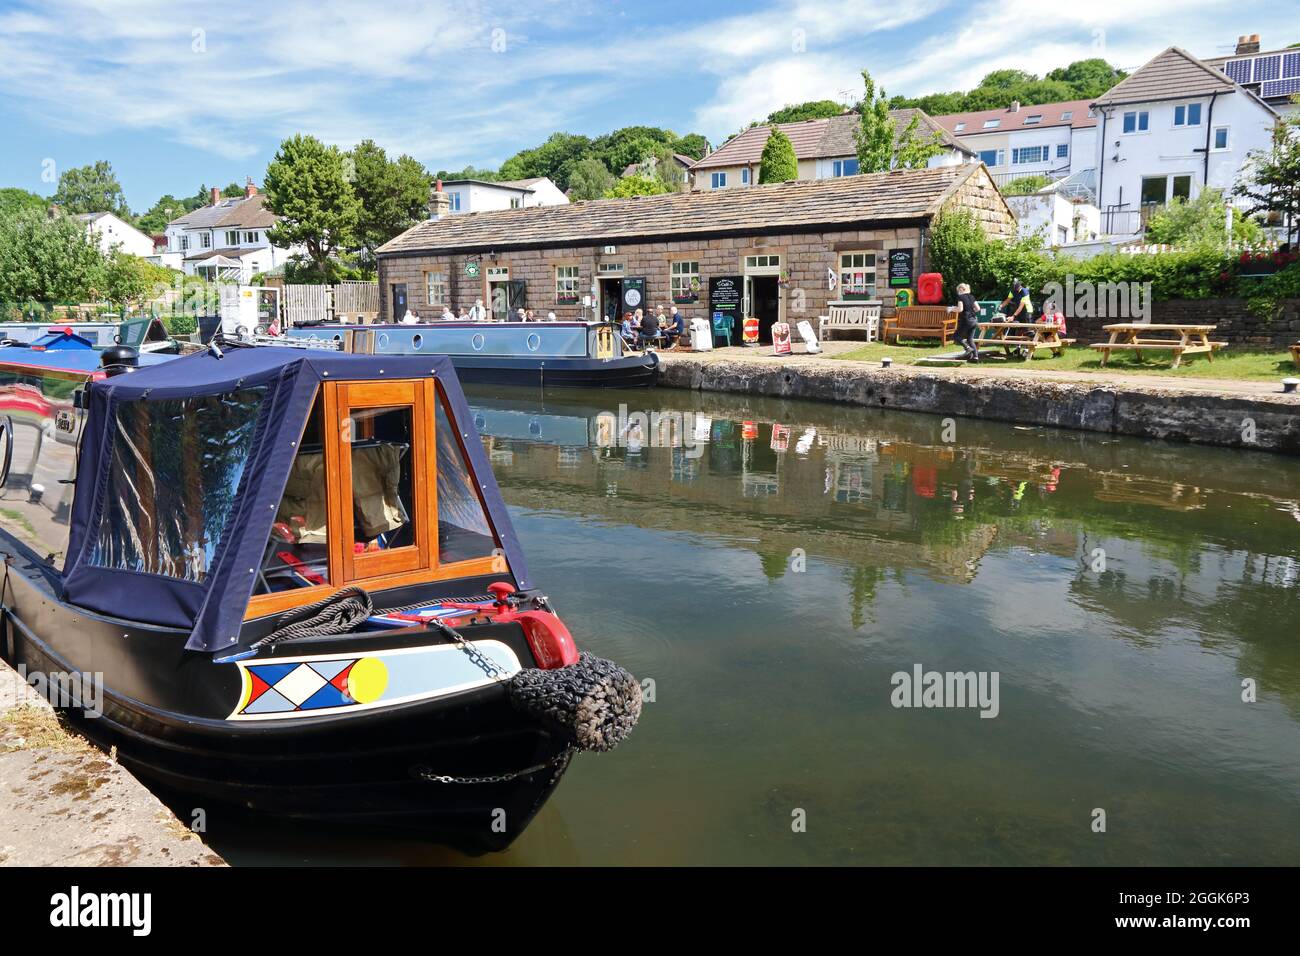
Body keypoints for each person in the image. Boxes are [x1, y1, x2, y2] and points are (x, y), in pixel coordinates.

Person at [951, 282, 981, 361]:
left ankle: (967, 348)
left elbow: (960, 309)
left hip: (966, 320)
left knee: (956, 336)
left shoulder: (961, 297)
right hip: (974, 320)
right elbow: (978, 308)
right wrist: (971, 311)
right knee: (970, 339)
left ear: (961, 289)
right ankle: (975, 357)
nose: (958, 293)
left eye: (958, 290)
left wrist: (951, 309)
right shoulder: (972, 297)